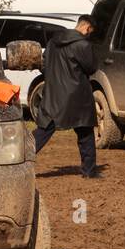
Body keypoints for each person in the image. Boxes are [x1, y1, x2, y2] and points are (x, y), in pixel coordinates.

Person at [34, 14, 101, 179]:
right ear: (87, 27)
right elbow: (91, 68)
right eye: (90, 31)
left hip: (53, 93)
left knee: (43, 131)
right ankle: (89, 171)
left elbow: (44, 65)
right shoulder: (83, 45)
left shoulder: (52, 42)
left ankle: (18, 159)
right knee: (85, 132)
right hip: (77, 95)